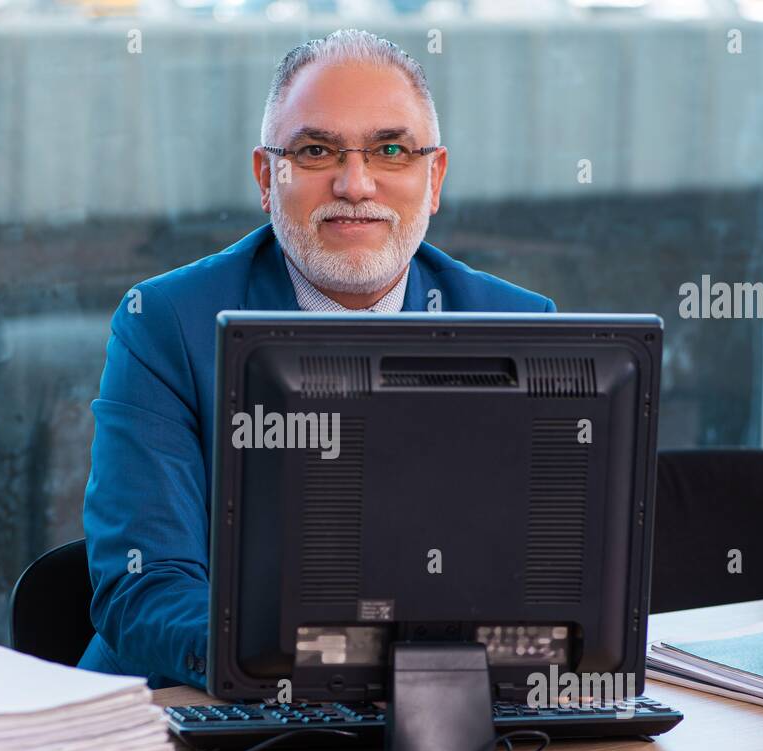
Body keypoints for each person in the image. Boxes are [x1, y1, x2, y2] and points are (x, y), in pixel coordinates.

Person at [80, 29, 555, 688]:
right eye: (314, 150)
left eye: (391, 150)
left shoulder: (523, 331)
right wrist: (326, 666)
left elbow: (554, 587)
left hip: (447, 715)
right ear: (266, 178)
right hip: (205, 724)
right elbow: (146, 587)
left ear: (434, 176)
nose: (355, 183)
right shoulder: (164, 326)